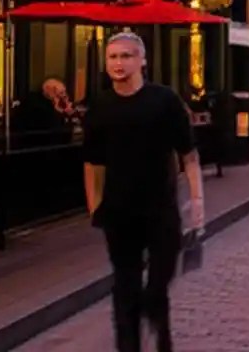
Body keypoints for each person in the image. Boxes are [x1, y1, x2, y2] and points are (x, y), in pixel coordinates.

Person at [83, 32, 202, 352]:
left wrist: (197, 200)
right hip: (119, 211)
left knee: (158, 282)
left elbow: (188, 155)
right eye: (113, 57)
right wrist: (94, 204)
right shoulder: (100, 107)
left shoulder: (164, 101)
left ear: (142, 61)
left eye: (126, 56)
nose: (119, 63)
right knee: (125, 286)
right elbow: (93, 163)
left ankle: (161, 331)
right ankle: (129, 345)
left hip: (160, 208)